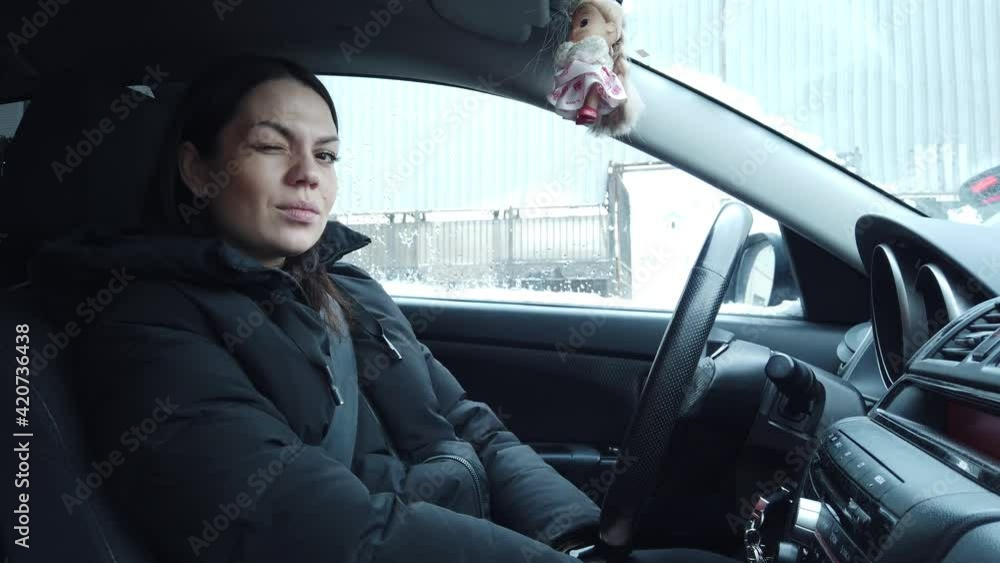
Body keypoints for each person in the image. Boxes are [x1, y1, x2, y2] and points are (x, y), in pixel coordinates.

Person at [31, 56, 738, 563]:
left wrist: (575, 534)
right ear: (196, 168)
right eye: (271, 145)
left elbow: (473, 428)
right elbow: (312, 528)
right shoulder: (143, 327)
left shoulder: (349, 289)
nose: (309, 172)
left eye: (328, 154)